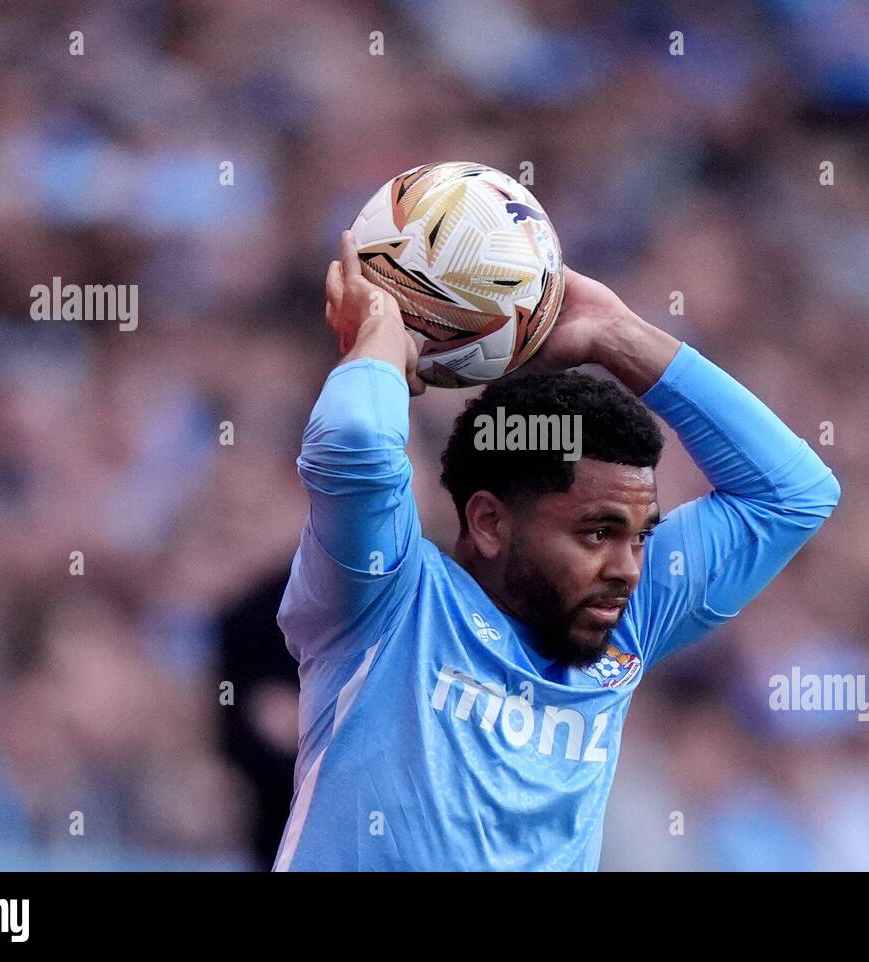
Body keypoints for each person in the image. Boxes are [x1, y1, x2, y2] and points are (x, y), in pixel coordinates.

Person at [272, 231, 840, 870]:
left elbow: (793, 495)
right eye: (596, 534)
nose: (628, 569)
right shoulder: (384, 600)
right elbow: (354, 440)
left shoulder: (626, 625)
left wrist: (617, 336)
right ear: (489, 522)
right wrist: (379, 335)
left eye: (642, 535)